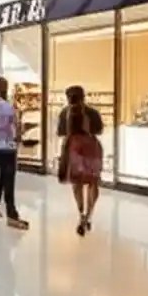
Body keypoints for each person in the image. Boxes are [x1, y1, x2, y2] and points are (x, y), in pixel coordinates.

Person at [58, 85, 103, 237]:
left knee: (77, 183)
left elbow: (61, 132)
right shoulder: (92, 113)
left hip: (74, 151)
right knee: (93, 182)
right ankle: (89, 214)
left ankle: (81, 213)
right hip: (92, 149)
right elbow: (99, 130)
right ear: (84, 97)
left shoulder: (65, 113)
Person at [0, 77, 28, 230]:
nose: (5, 88)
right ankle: (12, 215)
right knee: (9, 178)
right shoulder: (2, 105)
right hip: (6, 145)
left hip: (3, 144)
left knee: (5, 175)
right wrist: (16, 131)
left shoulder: (0, 104)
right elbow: (6, 125)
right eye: (3, 85)